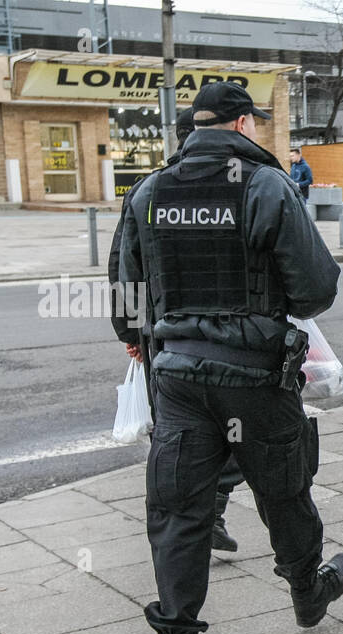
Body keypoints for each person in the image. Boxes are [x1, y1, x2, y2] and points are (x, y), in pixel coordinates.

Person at [118, 82, 343, 634]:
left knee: (178, 513)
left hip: (178, 379)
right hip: (255, 376)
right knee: (285, 489)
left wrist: (147, 341)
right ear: (244, 124)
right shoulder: (265, 186)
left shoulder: (148, 192)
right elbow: (314, 291)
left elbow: (125, 297)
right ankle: (308, 589)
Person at [109, 107, 244, 554]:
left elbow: (123, 268)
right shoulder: (243, 182)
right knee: (240, 427)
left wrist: (131, 332)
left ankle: (187, 523)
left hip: (164, 338)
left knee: (177, 434)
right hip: (233, 336)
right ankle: (210, 511)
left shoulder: (149, 189)